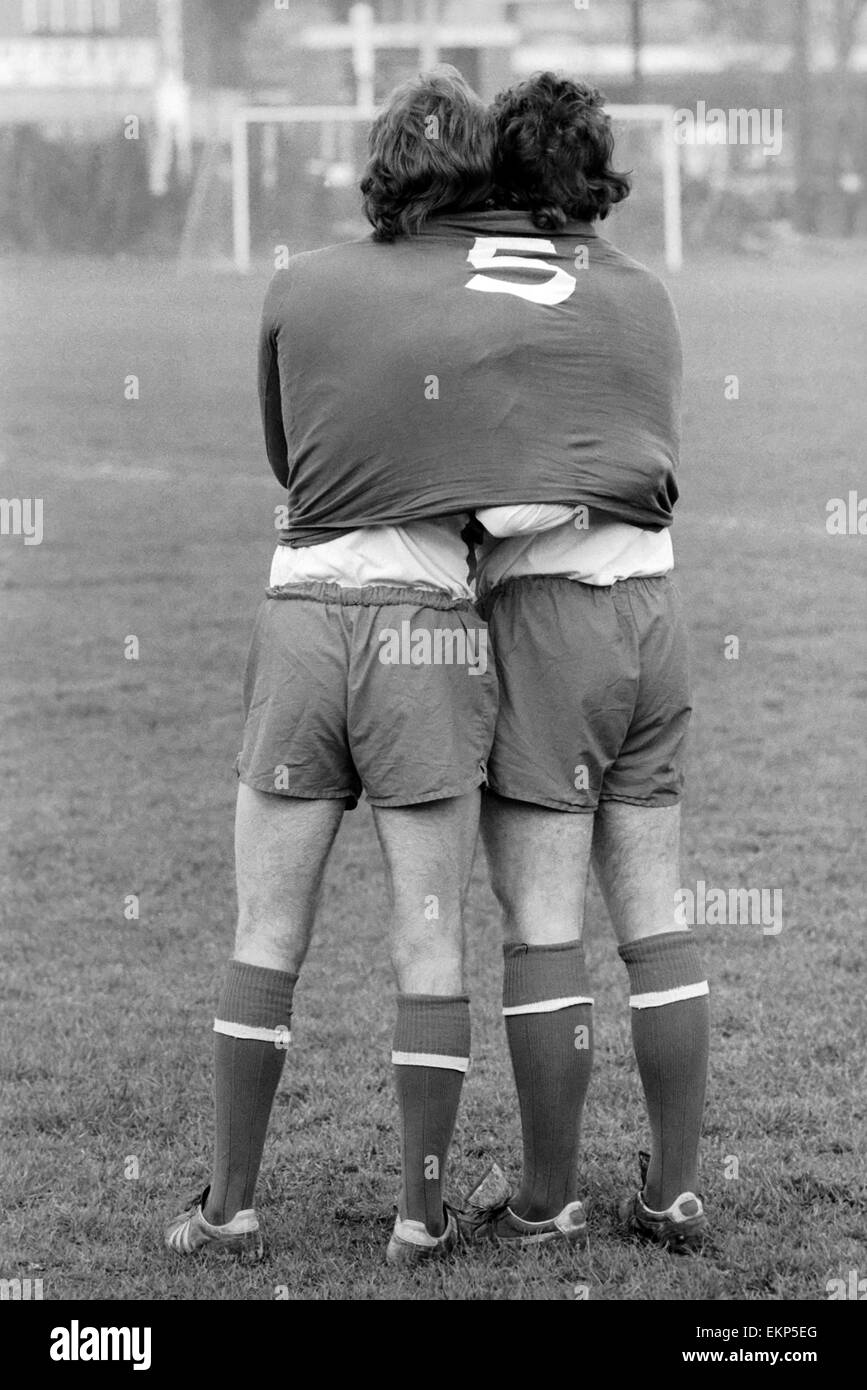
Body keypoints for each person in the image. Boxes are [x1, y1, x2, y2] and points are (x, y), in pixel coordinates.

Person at [164, 68, 500, 1267]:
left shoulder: (298, 279)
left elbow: (286, 456)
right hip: (428, 627)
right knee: (430, 937)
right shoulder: (498, 297)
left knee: (267, 928)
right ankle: (419, 1216)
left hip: (305, 614)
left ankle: (227, 1208)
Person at [463, 73, 709, 1254]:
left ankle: (546, 1199)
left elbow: (479, 489)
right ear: (603, 175)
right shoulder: (649, 293)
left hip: (549, 620)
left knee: (543, 916)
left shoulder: (484, 288)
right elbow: (651, 458)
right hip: (656, 611)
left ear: (498, 178)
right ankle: (671, 1192)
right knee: (654, 910)